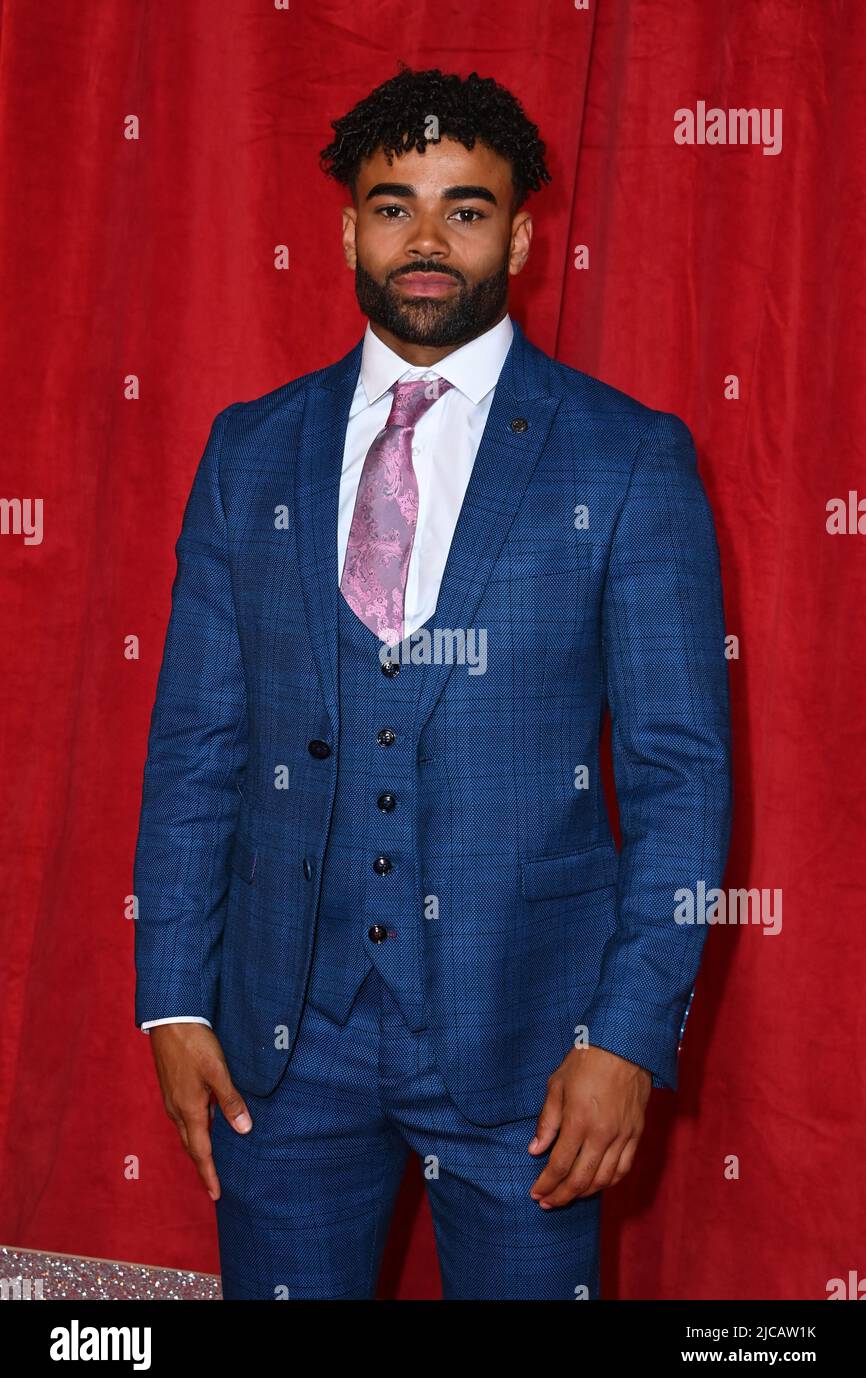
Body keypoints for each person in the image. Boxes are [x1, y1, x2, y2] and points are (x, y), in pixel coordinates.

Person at [133, 64, 732, 1300]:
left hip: (532, 1050)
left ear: (517, 233)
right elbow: (197, 741)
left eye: (464, 207)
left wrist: (623, 1034)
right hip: (280, 1048)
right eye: (392, 201)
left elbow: (680, 776)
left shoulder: (625, 456)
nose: (424, 236)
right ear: (348, 227)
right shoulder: (250, 449)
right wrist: (169, 1003)